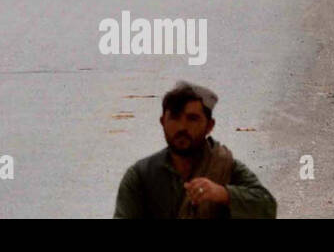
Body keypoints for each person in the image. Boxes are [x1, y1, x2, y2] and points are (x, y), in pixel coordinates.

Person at [114, 82, 276, 219]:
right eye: (175, 118)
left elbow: (267, 207)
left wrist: (223, 194)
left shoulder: (225, 167)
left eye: (192, 119)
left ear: (209, 125)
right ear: (163, 122)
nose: (182, 127)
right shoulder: (141, 176)